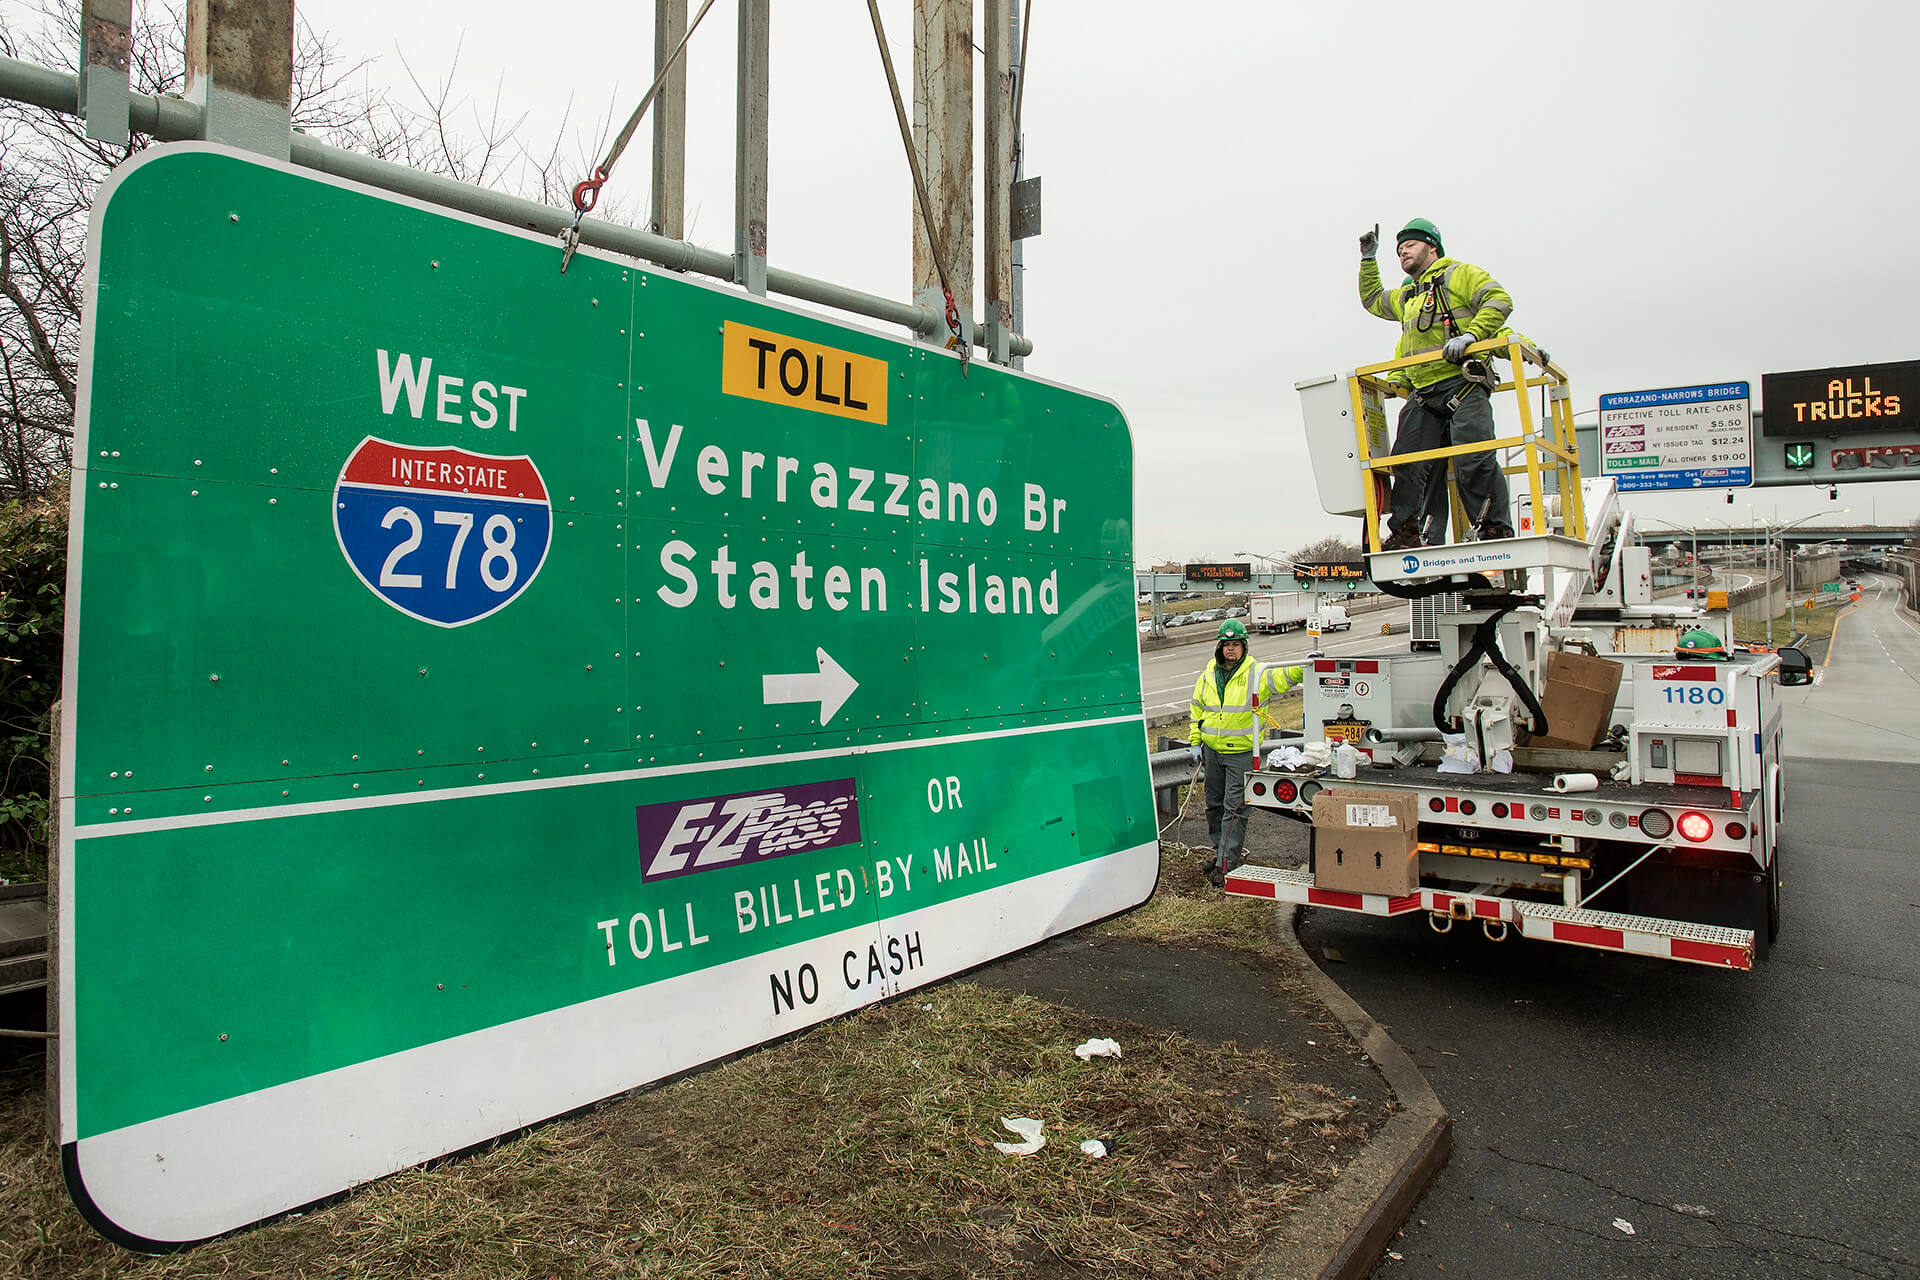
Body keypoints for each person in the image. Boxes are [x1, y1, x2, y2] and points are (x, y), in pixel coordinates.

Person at [1358, 218, 1516, 551]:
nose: (1403, 253)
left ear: (1432, 247)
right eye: (1399, 250)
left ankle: (1494, 527)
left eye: (1410, 246)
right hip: (1424, 392)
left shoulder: (1459, 274)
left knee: (1473, 457)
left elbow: (1499, 301)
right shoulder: (1408, 296)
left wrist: (1473, 335)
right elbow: (1373, 300)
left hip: (1463, 383)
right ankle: (1406, 531)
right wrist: (1368, 261)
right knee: (1407, 462)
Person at [1189, 619, 1259, 887]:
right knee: (1214, 805)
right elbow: (1197, 709)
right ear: (1220, 647)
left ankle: (1227, 863)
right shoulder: (1209, 673)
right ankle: (1221, 853)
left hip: (1239, 753)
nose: (1231, 649)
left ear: (1244, 647)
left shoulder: (1255, 672)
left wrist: (1308, 666)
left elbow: (1283, 677)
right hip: (1213, 751)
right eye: (1227, 645)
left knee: (1234, 808)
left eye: (1236, 645)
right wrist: (1196, 741)